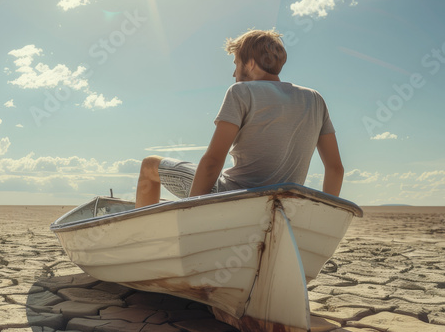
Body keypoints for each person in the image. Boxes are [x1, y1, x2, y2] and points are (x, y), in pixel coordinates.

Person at [135, 29, 344, 208]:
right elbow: (335, 169)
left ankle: (141, 236)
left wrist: (192, 210)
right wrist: (324, 212)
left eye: (236, 64)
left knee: (149, 165)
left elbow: (212, 162)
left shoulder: (241, 92)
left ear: (251, 63)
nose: (234, 74)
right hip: (284, 202)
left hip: (234, 195)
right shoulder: (314, 99)